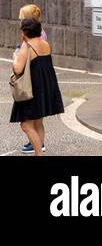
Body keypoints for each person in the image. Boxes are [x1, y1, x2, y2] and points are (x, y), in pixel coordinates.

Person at [11, 17, 62, 155]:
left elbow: (18, 69)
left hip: (32, 89)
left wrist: (15, 57)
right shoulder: (45, 44)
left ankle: (38, 153)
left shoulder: (26, 46)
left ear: (25, 31)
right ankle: (39, 152)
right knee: (38, 123)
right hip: (46, 87)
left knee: (26, 125)